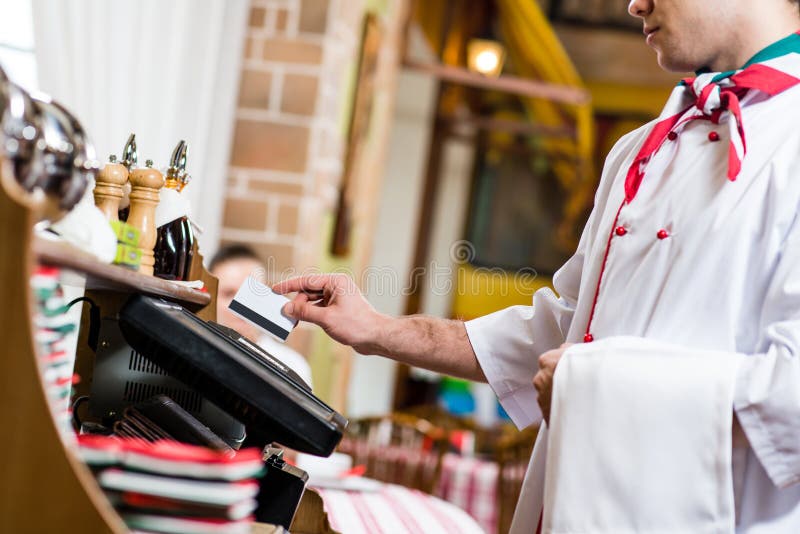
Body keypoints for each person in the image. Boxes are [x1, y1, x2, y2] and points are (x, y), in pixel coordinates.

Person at [273, 0, 800, 531]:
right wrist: (378, 331)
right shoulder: (639, 148)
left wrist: (599, 382)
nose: (634, 4)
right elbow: (558, 333)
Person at [209, 244, 313, 389]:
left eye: (252, 294)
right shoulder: (195, 349)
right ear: (212, 296)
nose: (241, 305)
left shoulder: (294, 366)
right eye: (229, 293)